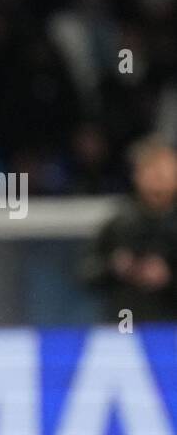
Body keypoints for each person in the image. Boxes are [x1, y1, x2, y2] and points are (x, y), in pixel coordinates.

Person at [84, 136, 177, 324]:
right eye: (151, 171)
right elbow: (86, 272)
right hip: (126, 326)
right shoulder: (120, 224)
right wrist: (115, 266)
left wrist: (168, 276)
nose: (158, 180)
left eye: (164, 172)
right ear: (137, 175)